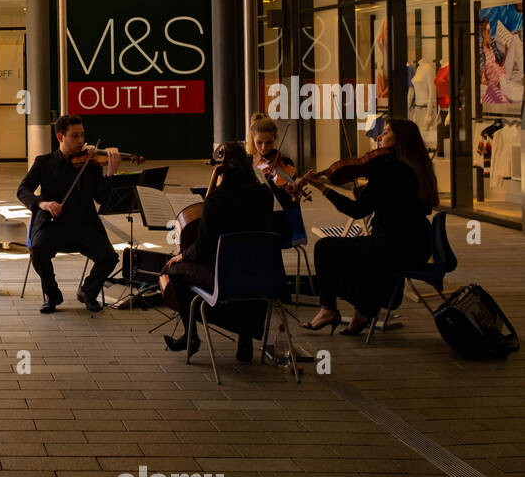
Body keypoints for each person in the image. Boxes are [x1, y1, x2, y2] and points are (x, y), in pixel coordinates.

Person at [301, 119, 437, 335]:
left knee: (325, 249)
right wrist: (369, 195)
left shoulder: (390, 171)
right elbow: (399, 203)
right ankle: (364, 308)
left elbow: (357, 212)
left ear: (398, 140)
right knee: (361, 252)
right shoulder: (416, 167)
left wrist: (323, 189)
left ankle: (329, 309)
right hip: (416, 245)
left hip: (394, 245)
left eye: (384, 133)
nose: (379, 137)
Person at [158, 143, 276, 361]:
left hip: (224, 278)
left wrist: (181, 256)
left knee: (173, 270)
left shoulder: (217, 200)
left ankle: (191, 337)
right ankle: (245, 339)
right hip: (262, 278)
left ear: (221, 169)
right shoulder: (264, 195)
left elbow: (203, 248)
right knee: (244, 265)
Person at [16, 115, 121, 314]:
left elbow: (102, 199)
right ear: (60, 137)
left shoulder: (91, 165)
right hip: (53, 224)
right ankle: (53, 295)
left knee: (109, 257)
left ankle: (88, 292)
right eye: (74, 136)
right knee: (37, 251)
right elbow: (23, 190)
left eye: (82, 135)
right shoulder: (44, 162)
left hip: (85, 225)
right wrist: (43, 204)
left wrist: (111, 174)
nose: (80, 141)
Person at [246, 113, 298, 242]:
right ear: (252, 140)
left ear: (275, 139)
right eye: (259, 143)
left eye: (268, 142)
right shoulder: (246, 163)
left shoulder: (285, 162)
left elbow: (289, 204)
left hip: (278, 222)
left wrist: (293, 196)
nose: (264, 148)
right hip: (253, 219)